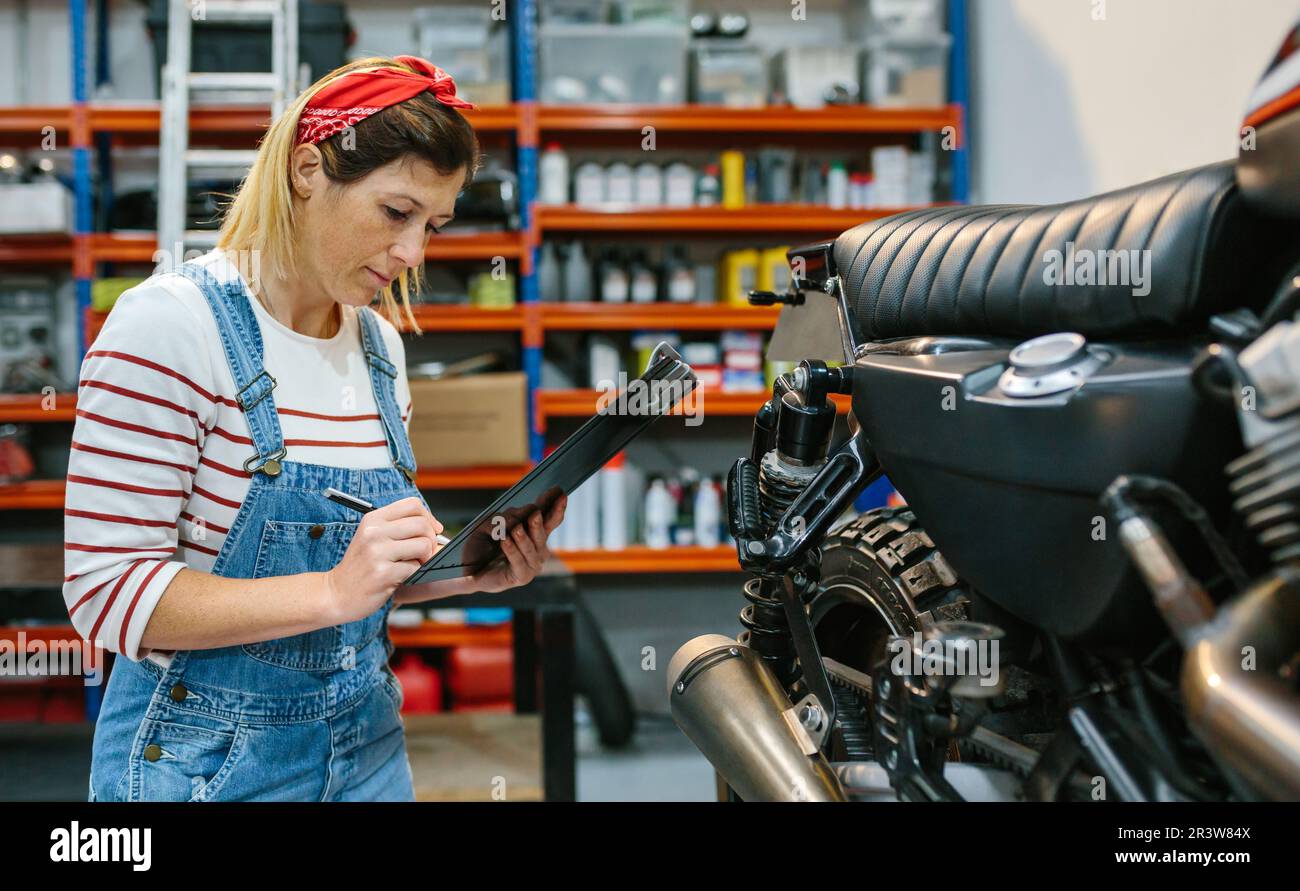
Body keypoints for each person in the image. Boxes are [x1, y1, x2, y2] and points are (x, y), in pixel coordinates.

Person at [66, 56, 565, 802]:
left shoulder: (380, 350)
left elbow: (351, 589)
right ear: (307, 169)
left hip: (366, 749)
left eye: (433, 225)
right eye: (396, 213)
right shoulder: (169, 326)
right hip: (205, 765)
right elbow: (106, 590)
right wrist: (333, 589)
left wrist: (456, 571)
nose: (412, 254)